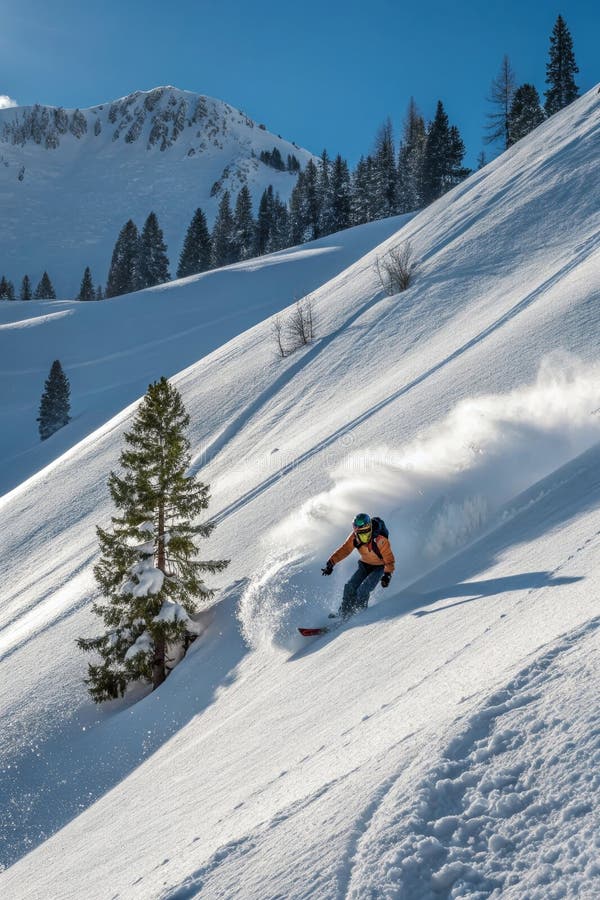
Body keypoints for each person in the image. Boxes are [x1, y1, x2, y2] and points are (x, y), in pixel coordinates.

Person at [322, 513, 395, 619]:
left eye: (360, 526)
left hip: (379, 568)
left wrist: (387, 574)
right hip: (364, 565)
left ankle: (359, 614)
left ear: (367, 526)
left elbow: (389, 558)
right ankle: (344, 612)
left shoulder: (380, 540)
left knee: (363, 590)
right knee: (350, 587)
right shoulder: (355, 537)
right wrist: (331, 563)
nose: (357, 530)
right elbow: (345, 549)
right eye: (355, 526)